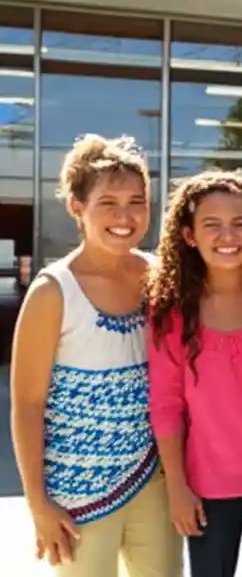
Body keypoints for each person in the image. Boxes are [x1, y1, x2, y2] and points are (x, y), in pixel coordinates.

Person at [8, 134, 183, 575]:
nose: (125, 216)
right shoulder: (52, 291)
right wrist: (38, 506)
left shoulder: (157, 275)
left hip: (152, 479)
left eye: (136, 201)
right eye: (108, 202)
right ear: (76, 207)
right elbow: (27, 405)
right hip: (76, 492)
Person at [146, 171, 242, 576]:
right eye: (212, 225)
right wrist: (177, 486)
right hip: (209, 483)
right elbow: (165, 405)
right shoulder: (171, 312)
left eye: (240, 223)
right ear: (190, 235)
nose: (228, 236)